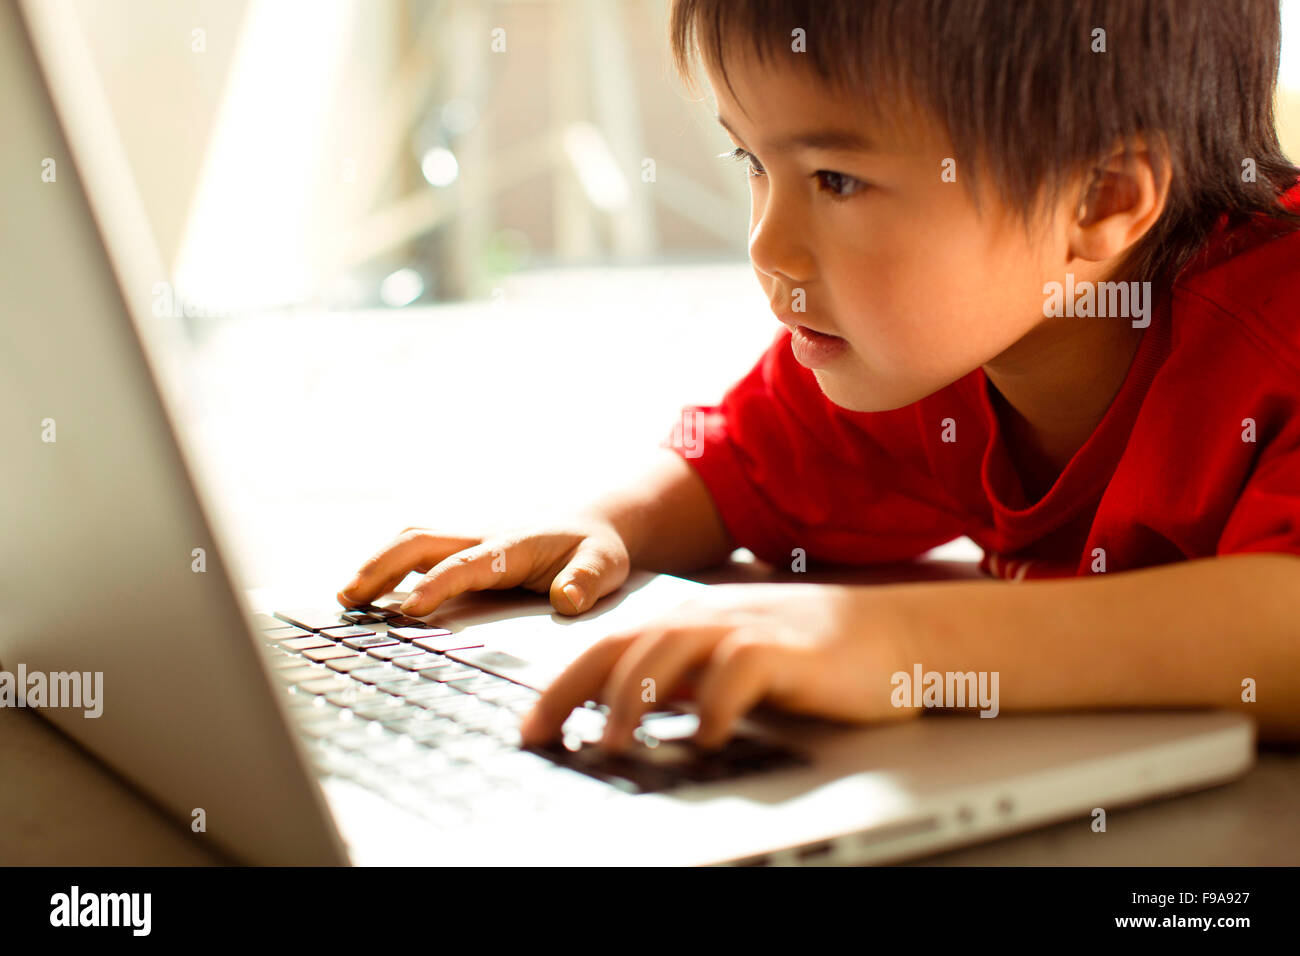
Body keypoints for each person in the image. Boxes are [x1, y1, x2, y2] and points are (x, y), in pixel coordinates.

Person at [340, 0, 1300, 752]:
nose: (768, 247)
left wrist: (899, 649)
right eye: (751, 160)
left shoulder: (1275, 337)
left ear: (1101, 200)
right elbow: (740, 464)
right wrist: (605, 523)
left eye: (837, 180)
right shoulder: (926, 354)